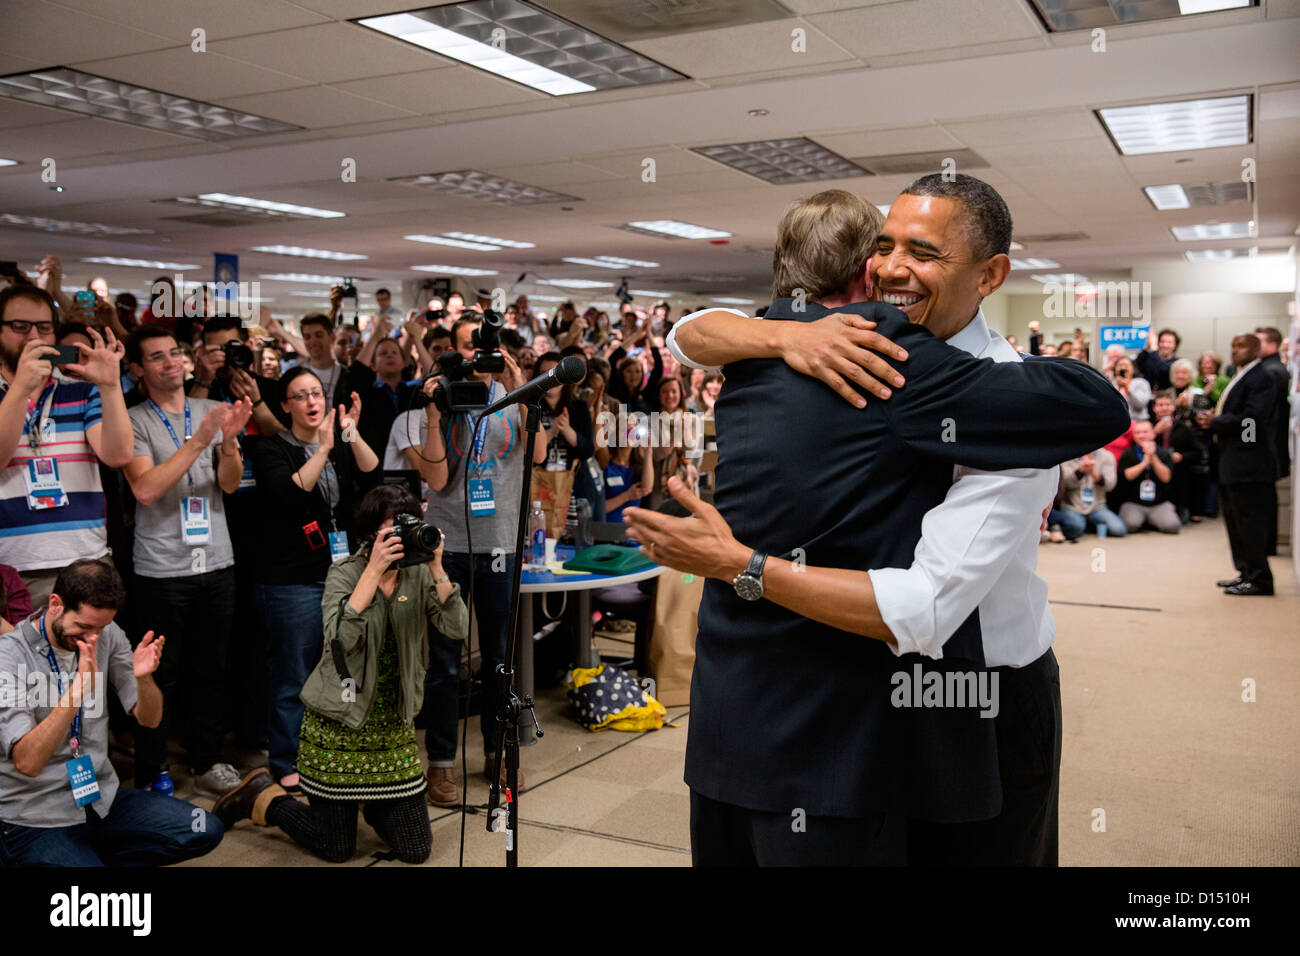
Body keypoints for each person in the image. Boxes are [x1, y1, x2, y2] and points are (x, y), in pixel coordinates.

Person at [638, 180, 1127, 866]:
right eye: (884, 246)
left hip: (981, 694)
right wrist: (785, 334)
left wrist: (738, 565)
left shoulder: (1000, 394)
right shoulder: (816, 353)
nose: (893, 268)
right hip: (859, 700)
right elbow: (689, 334)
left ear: (989, 275)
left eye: (922, 253)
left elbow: (926, 606)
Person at [215, 485, 467, 863]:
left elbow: (457, 627)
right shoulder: (344, 573)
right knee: (337, 849)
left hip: (392, 726)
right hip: (338, 723)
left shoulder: (418, 575)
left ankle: (371, 803)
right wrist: (374, 570)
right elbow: (339, 641)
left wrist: (435, 566)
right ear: (370, 533)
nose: (402, 537)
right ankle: (263, 798)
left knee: (415, 850)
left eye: (410, 526)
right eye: (391, 531)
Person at [0, 559, 223, 866]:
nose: (92, 638)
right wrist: (78, 690)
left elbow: (150, 719)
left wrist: (144, 679)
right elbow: (27, 761)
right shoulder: (9, 654)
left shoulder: (108, 632)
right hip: (35, 815)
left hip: (99, 800)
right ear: (55, 603)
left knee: (203, 827)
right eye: (83, 627)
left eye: (100, 628)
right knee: (97, 909)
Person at [415, 317, 543, 806]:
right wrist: (433, 413)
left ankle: (499, 752)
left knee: (498, 660)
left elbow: (539, 453)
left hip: (498, 547)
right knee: (444, 663)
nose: (476, 356)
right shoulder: (443, 400)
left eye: (483, 347)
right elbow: (437, 478)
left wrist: (519, 387)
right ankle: (442, 764)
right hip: (449, 549)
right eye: (467, 347)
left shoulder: (515, 402)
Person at [122, 326, 254, 795]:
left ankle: (206, 761)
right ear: (138, 369)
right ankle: (153, 767)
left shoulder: (209, 410)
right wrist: (200, 440)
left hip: (217, 562)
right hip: (162, 569)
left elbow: (232, 484)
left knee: (210, 668)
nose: (170, 362)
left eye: (175, 353)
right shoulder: (134, 419)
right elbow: (145, 487)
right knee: (159, 674)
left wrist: (230, 443)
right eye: (156, 357)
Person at [251, 365, 380, 790]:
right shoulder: (271, 447)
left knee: (339, 665)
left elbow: (371, 471)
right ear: (285, 406)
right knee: (293, 672)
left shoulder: (338, 441)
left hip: (339, 574)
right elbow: (286, 496)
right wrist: (323, 449)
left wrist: (351, 432)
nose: (311, 402)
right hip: (290, 579)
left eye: (316, 394)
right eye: (300, 396)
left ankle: (329, 747)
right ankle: (286, 761)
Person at [0, 285, 133, 607]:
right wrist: (20, 389)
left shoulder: (80, 391)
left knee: (92, 657)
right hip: (13, 566)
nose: (34, 337)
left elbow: (117, 456)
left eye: (44, 328)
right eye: (20, 327)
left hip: (86, 561)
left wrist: (110, 386)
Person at [1209, 334, 1279, 596]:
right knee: (1236, 522)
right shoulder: (1240, 375)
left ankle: (1260, 578)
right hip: (1234, 462)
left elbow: (1251, 421)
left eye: (1242, 346)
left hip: (1250, 464)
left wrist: (1217, 423)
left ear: (1257, 349)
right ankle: (1246, 572)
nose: (1235, 351)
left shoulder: (1262, 377)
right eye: (1233, 346)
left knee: (1251, 524)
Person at [1113, 419, 1180, 534]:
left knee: (1172, 526)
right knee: (1130, 525)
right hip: (1134, 503)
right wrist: (1144, 463)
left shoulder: (1163, 453)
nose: (1141, 435)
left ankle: (1151, 520)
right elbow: (1127, 476)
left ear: (1153, 434)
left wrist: (1152, 456)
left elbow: (1166, 478)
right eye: (1137, 433)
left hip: (1159, 503)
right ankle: (1146, 520)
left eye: (1145, 432)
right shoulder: (1128, 453)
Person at [1050, 449, 1125, 539]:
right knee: (1076, 528)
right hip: (1073, 506)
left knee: (1119, 530)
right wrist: (1080, 472)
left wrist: (1094, 473)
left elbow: (1110, 486)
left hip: (1098, 506)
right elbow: (1062, 484)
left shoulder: (1107, 456)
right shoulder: (1068, 455)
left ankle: (1089, 524)